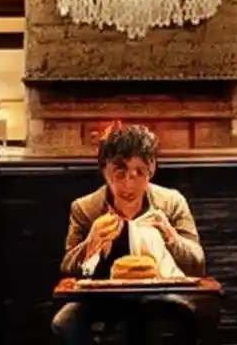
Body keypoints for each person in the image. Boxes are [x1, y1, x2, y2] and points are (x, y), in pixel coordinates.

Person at [53, 123, 205, 344]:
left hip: (161, 291)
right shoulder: (85, 208)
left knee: (196, 315)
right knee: (64, 321)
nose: (129, 183)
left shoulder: (172, 203)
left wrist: (171, 237)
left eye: (139, 172)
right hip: (101, 296)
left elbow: (197, 263)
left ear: (151, 171)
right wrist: (91, 243)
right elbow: (67, 269)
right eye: (120, 172)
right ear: (105, 172)